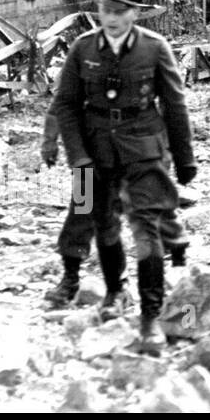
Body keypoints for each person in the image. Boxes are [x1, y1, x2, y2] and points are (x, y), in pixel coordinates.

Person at [50, 0, 197, 355]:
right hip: (90, 153)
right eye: (105, 9)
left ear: (134, 13)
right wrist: (74, 154)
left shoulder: (154, 48)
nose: (111, 18)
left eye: (119, 11)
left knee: (146, 226)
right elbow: (64, 105)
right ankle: (99, 286)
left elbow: (175, 105)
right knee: (90, 215)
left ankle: (151, 316)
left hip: (143, 149)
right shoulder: (82, 49)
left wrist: (185, 161)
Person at [40, 101, 189, 310]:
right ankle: (72, 278)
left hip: (136, 150)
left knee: (152, 210)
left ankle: (172, 273)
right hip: (90, 154)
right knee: (81, 211)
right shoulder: (80, 70)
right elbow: (60, 105)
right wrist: (49, 141)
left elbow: (170, 106)